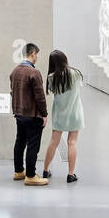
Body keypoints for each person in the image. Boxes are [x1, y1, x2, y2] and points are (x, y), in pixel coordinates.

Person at [41, 50, 84, 183]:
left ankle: (45, 170)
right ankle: (70, 174)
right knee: (72, 143)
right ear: (65, 59)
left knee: (54, 142)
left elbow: (54, 91)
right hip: (75, 113)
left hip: (59, 114)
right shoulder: (76, 74)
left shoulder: (51, 78)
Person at [9, 42, 48, 185]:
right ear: (32, 54)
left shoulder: (15, 71)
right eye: (36, 55)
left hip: (19, 113)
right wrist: (44, 114)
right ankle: (31, 176)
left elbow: (12, 92)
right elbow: (40, 96)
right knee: (33, 145)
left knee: (20, 142)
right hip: (33, 115)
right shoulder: (34, 72)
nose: (37, 58)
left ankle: (19, 171)